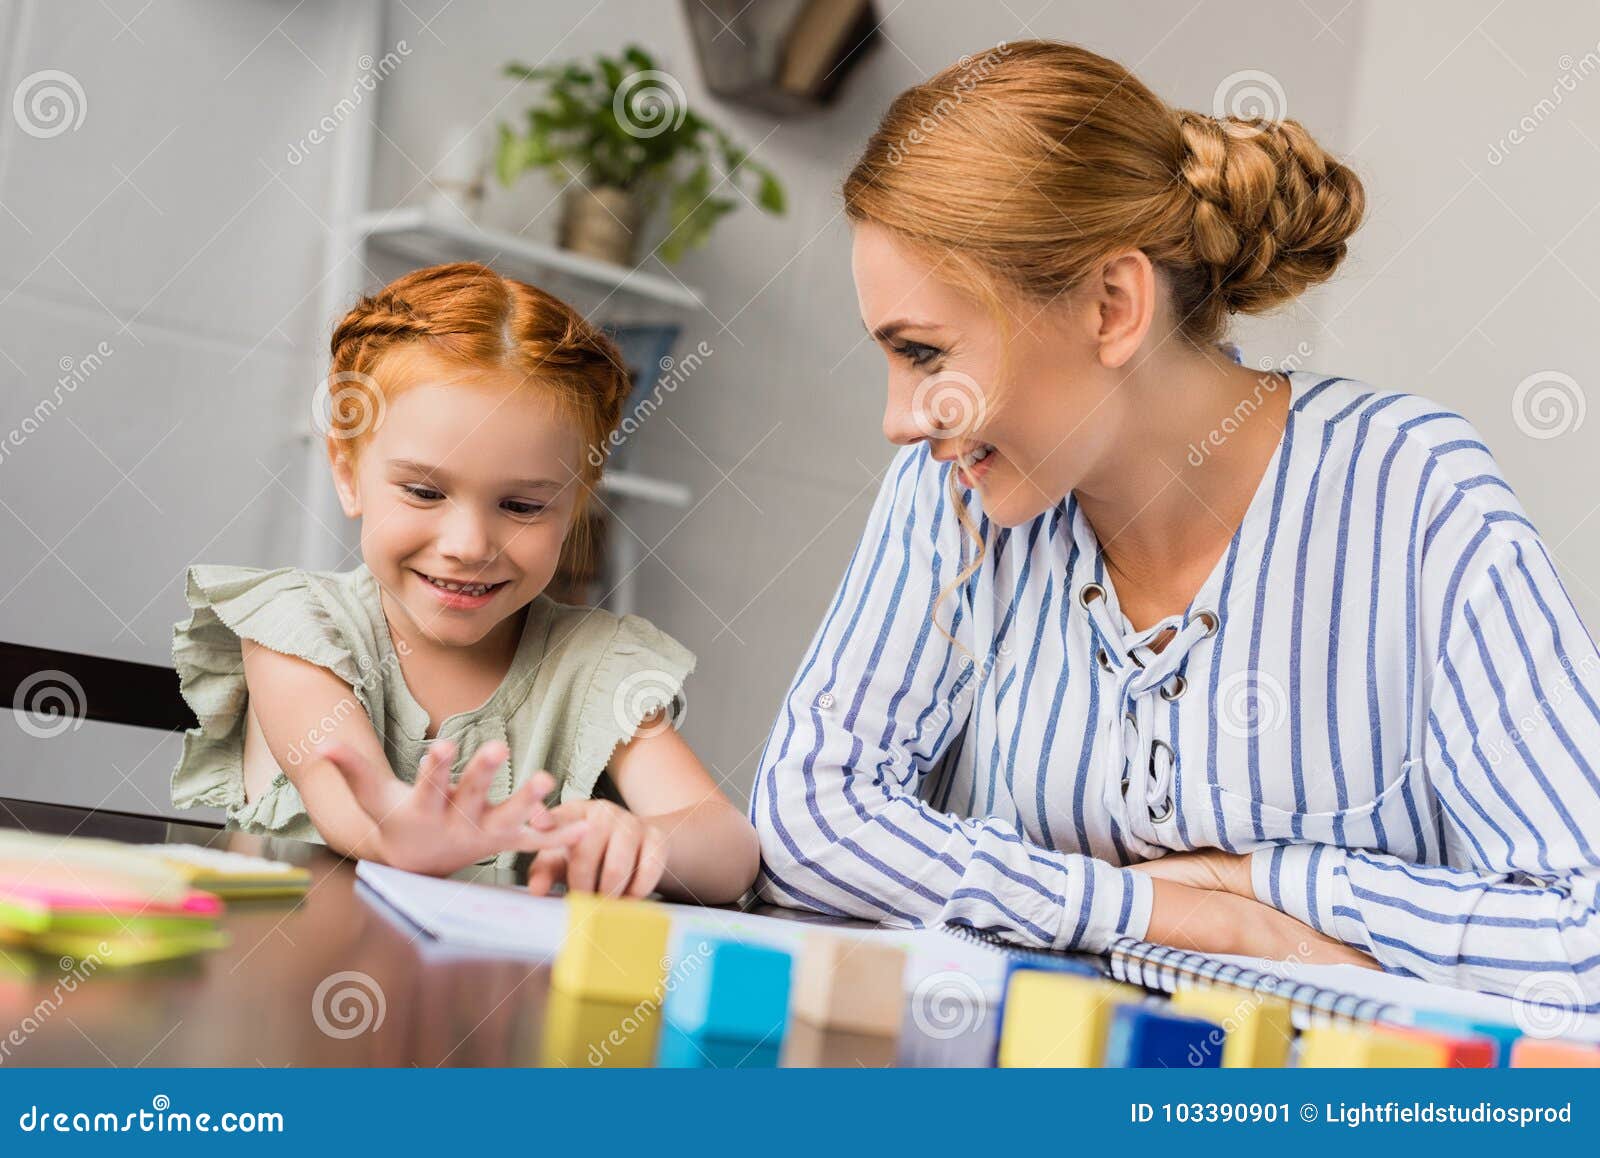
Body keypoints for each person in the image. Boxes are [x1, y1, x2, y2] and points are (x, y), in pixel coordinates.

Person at [752, 40, 1600, 1001]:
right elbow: (809, 820)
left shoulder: (1413, 491)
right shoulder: (954, 490)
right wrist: (1155, 914)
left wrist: (1260, 883)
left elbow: (1587, 936)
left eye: (925, 353)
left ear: (1113, 307)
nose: (902, 418)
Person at [171, 262, 758, 903]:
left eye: (523, 506)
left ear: (578, 502)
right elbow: (348, 796)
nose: (470, 546)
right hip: (294, 989)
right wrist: (401, 828)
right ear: (347, 471)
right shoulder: (296, 630)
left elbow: (728, 851)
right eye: (424, 492)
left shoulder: (594, 664)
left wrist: (640, 839)